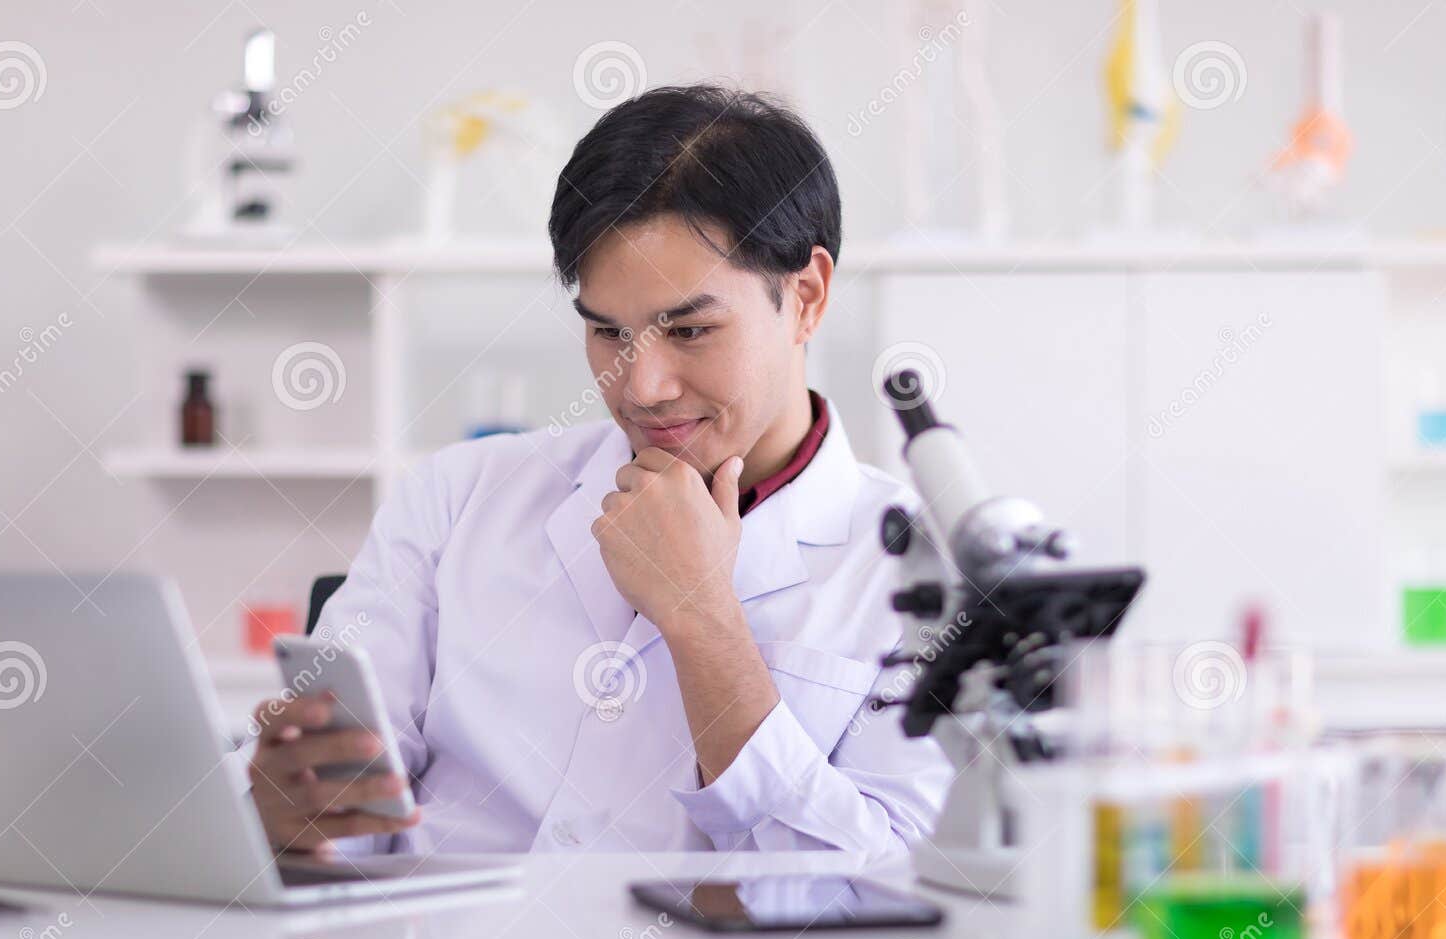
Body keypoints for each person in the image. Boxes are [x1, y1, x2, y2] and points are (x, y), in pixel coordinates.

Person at [246, 85, 951, 859]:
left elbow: (879, 890)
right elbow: (334, 822)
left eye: (690, 329)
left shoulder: (922, 572)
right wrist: (288, 818)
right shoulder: (455, 497)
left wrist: (701, 618)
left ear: (807, 296)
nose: (641, 386)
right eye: (607, 330)